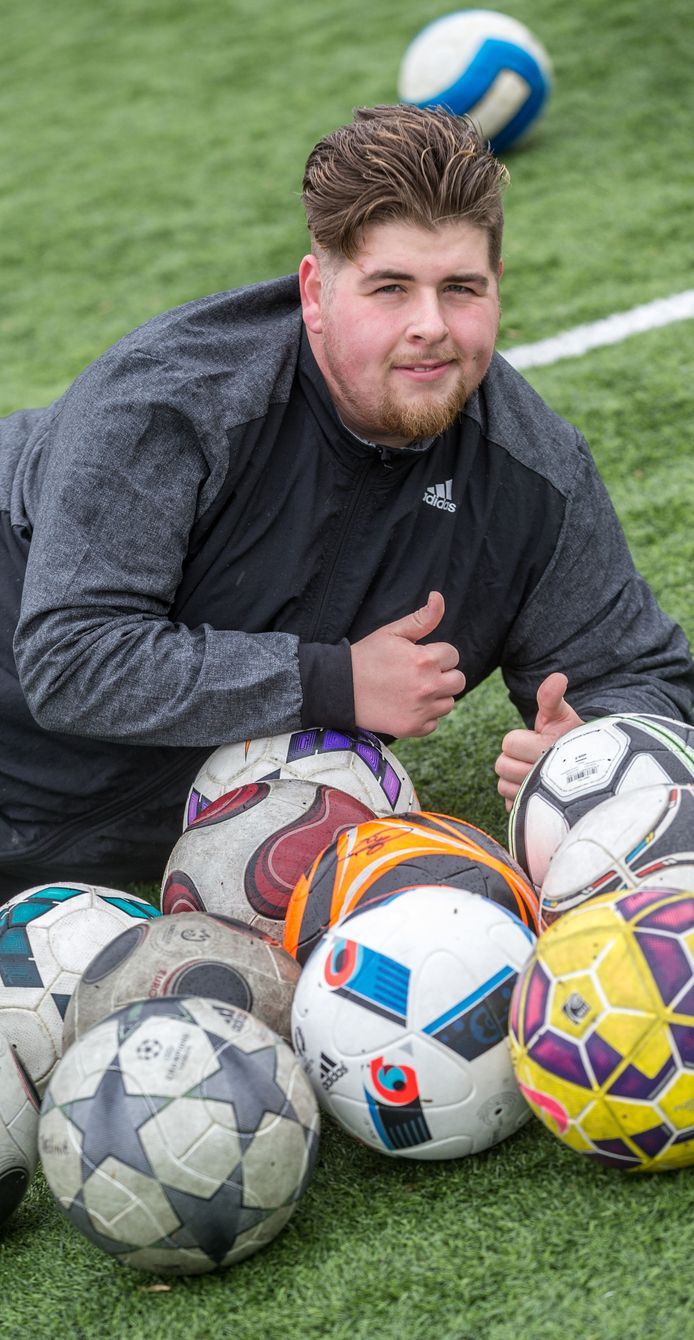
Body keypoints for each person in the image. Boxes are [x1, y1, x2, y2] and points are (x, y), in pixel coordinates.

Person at [0, 103, 691, 901]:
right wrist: (334, 682)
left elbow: (633, 669)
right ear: (316, 293)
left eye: (460, 288)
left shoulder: (533, 474)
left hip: (194, 866)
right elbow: (72, 658)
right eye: (391, 289)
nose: (431, 326)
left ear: (497, 287)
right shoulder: (172, 404)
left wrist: (598, 743)